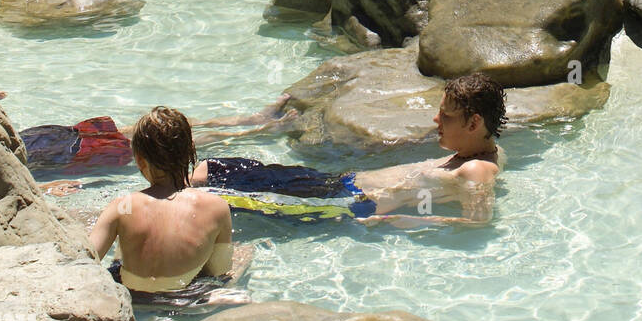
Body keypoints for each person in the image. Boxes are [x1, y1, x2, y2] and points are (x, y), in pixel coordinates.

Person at [190, 73, 505, 229]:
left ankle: (169, 203)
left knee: (230, 191)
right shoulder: (485, 155)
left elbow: (476, 223)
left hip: (347, 203)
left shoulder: (477, 170)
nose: (436, 119)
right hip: (338, 186)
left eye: (446, 116)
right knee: (235, 170)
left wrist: (397, 221)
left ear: (474, 123)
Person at [88, 107, 235, 296]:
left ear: (140, 161)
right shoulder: (217, 207)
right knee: (240, 255)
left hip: (132, 295)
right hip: (184, 297)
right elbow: (218, 272)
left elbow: (88, 260)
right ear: (191, 151)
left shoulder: (121, 206)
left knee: (121, 251)